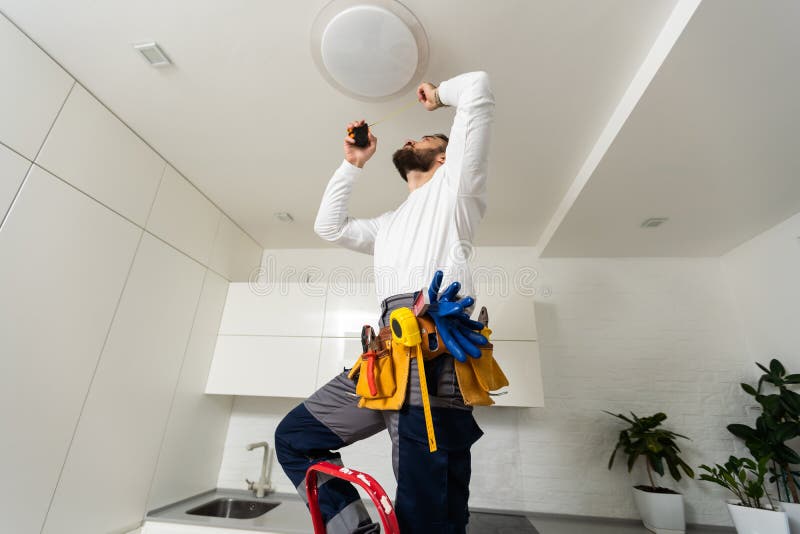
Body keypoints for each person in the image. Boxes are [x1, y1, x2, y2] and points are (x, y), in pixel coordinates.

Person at [275, 71, 495, 533]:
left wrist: (437, 97)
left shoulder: (457, 190)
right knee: (295, 437)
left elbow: (477, 86)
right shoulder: (389, 224)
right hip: (383, 359)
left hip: (433, 352)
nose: (414, 136)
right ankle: (356, 529)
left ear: (446, 156)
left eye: (428, 137)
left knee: (426, 504)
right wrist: (353, 163)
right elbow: (329, 227)